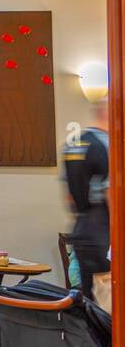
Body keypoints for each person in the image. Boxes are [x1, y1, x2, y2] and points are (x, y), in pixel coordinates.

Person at [64, 106, 109, 304]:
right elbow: (112, 192)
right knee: (110, 302)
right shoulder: (107, 145)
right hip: (104, 232)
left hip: (83, 230)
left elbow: (70, 197)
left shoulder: (75, 143)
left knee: (92, 302)